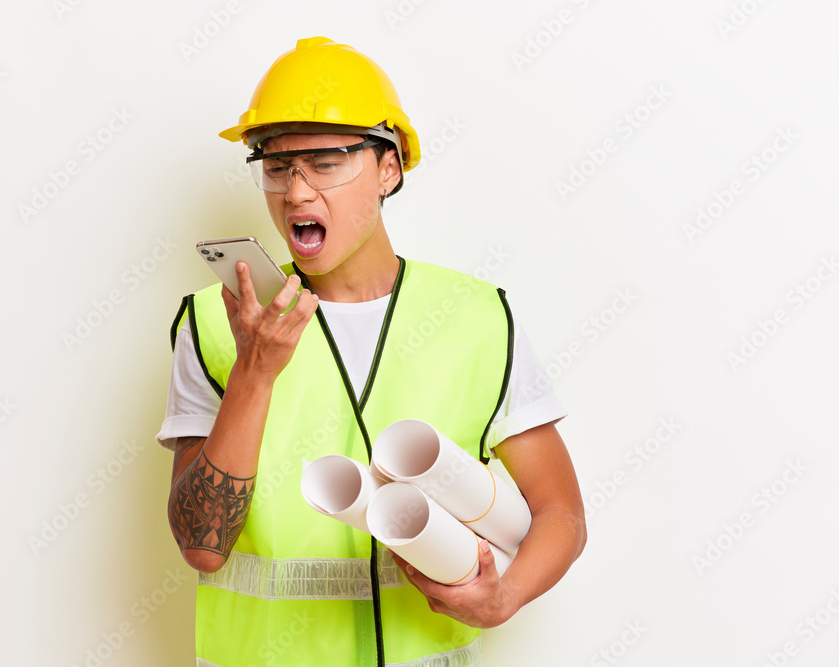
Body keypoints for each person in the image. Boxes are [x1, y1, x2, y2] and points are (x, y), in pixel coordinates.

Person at [157, 36, 586, 667]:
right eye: (276, 167)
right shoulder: (216, 324)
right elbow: (202, 545)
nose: (296, 193)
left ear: (389, 169)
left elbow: (560, 513)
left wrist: (506, 597)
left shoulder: (476, 318)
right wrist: (254, 371)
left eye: (325, 163)